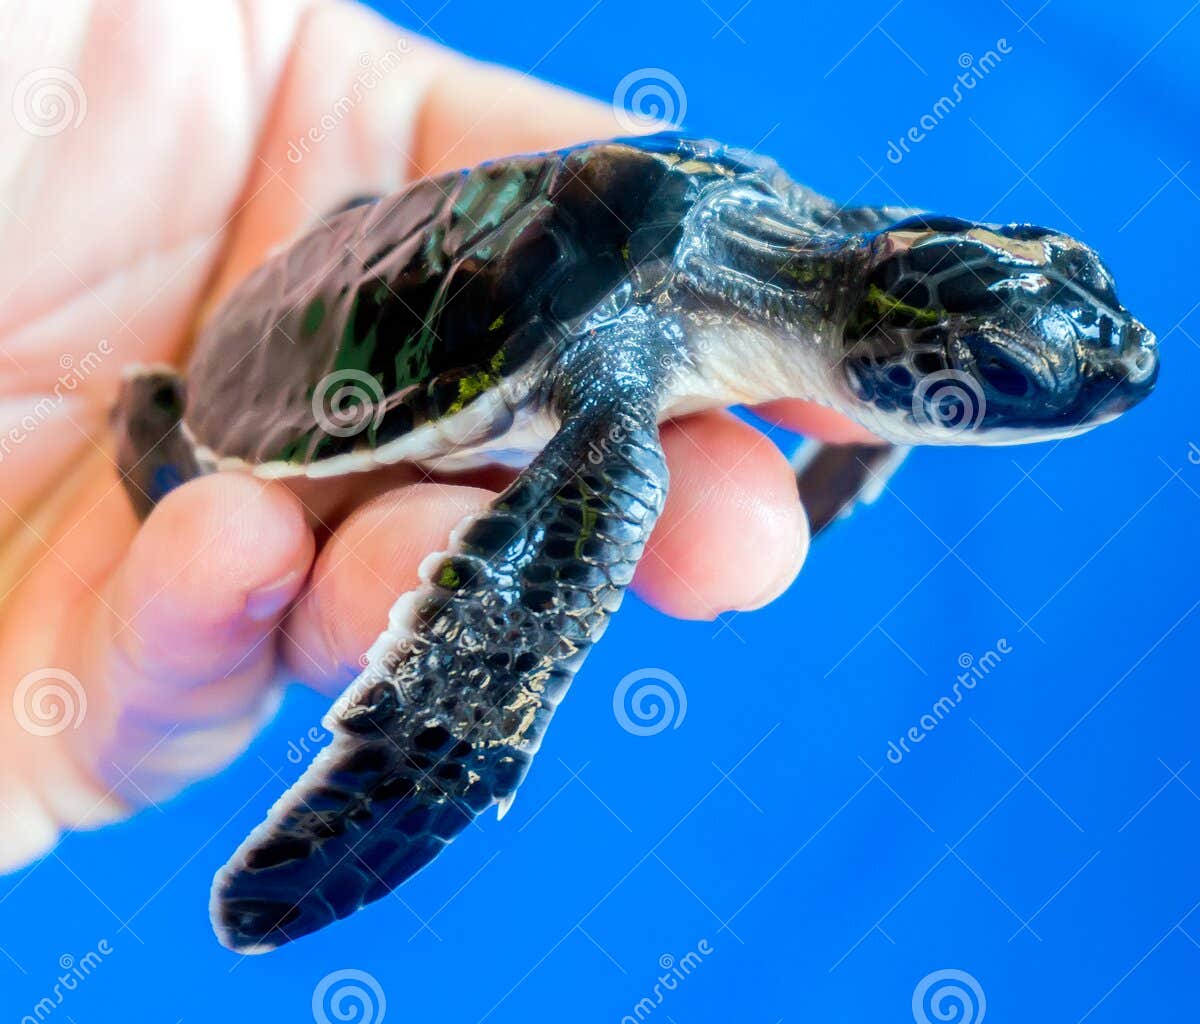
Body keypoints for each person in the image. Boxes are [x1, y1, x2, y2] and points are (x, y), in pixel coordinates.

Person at [0, 0, 869, 870]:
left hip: (368, 237)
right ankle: (151, 421)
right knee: (219, 512)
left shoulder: (813, 235)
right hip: (316, 343)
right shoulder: (648, 359)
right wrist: (444, 742)